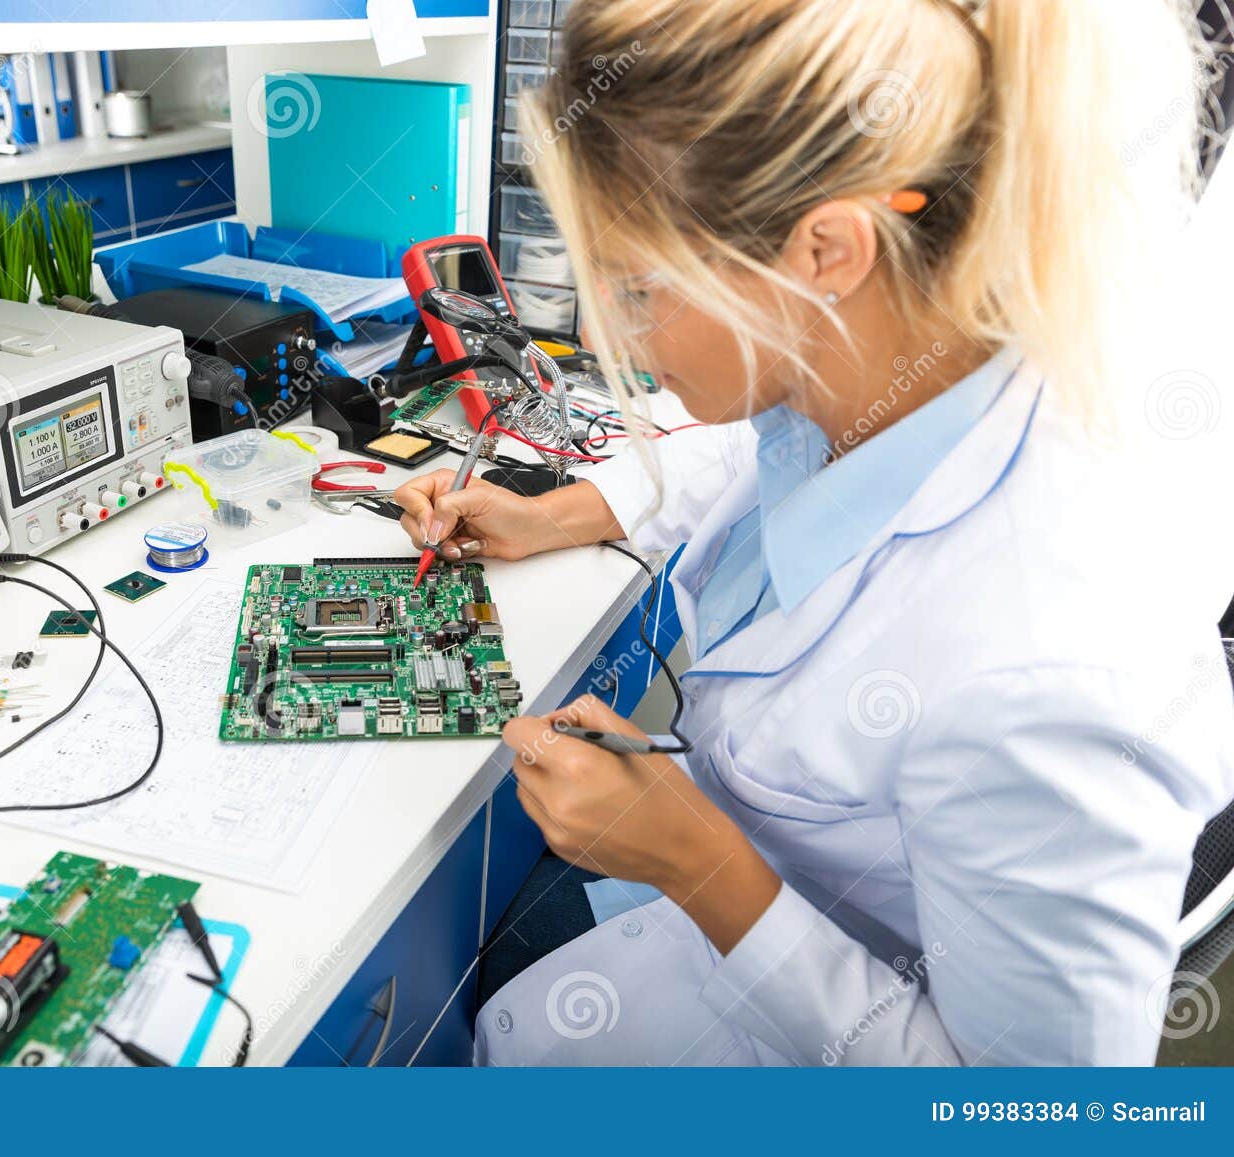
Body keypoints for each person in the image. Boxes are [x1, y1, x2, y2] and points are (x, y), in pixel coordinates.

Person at [394, 0, 1234, 1065]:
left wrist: (697, 862)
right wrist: (552, 512)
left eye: (638, 287)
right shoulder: (909, 357)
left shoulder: (1045, 671)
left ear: (825, 250)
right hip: (685, 926)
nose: (603, 336)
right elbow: (761, 452)